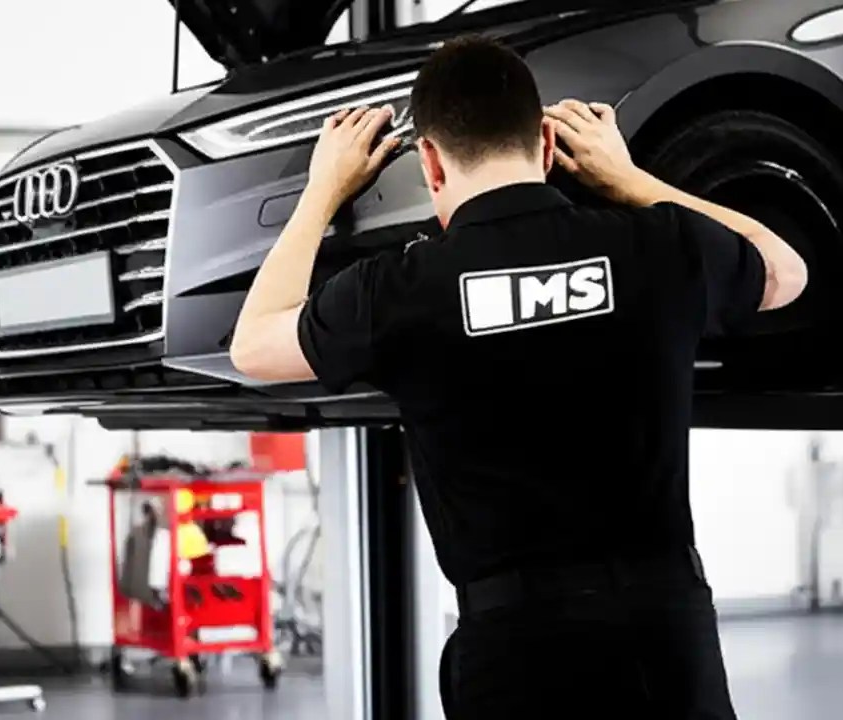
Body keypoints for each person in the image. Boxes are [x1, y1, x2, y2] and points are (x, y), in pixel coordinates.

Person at [229, 36, 806, 719]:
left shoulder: (397, 291)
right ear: (544, 143)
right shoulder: (657, 247)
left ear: (432, 164)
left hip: (517, 653)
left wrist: (323, 191)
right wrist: (631, 181)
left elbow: (254, 347)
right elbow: (785, 270)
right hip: (666, 638)